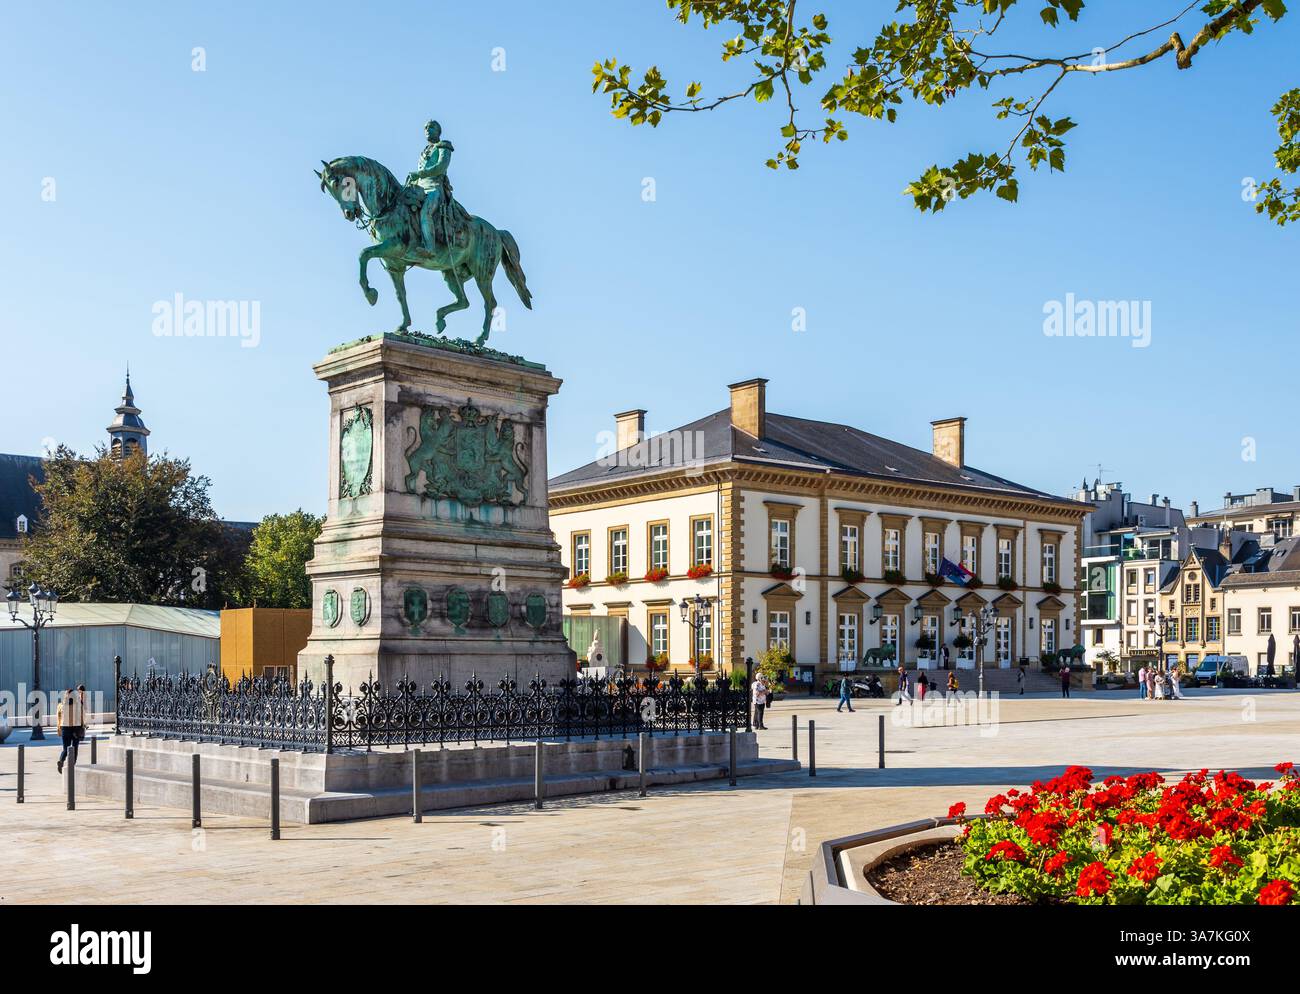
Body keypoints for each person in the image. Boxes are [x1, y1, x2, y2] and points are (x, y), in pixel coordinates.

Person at [55, 687, 85, 774]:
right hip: (76, 728)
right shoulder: (78, 705)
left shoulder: (60, 706)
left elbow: (59, 718)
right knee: (75, 748)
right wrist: (83, 726)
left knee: (65, 748)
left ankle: (61, 760)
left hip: (65, 728)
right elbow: (82, 716)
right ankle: (72, 766)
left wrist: (59, 728)